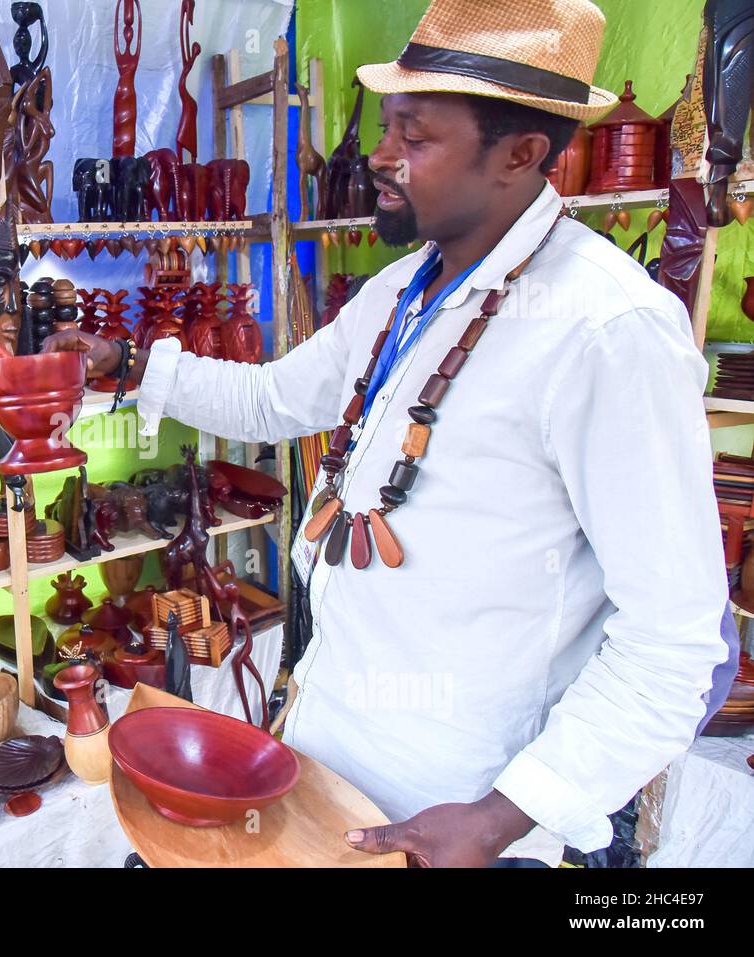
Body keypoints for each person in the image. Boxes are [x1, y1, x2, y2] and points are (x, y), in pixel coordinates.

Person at [43, 0, 731, 866]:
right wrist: (127, 360)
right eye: (388, 128)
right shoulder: (407, 286)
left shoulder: (608, 330)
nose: (379, 154)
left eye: (416, 135)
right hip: (324, 760)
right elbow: (277, 401)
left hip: (462, 811)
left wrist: (501, 816)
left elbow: (674, 641)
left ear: (520, 154)